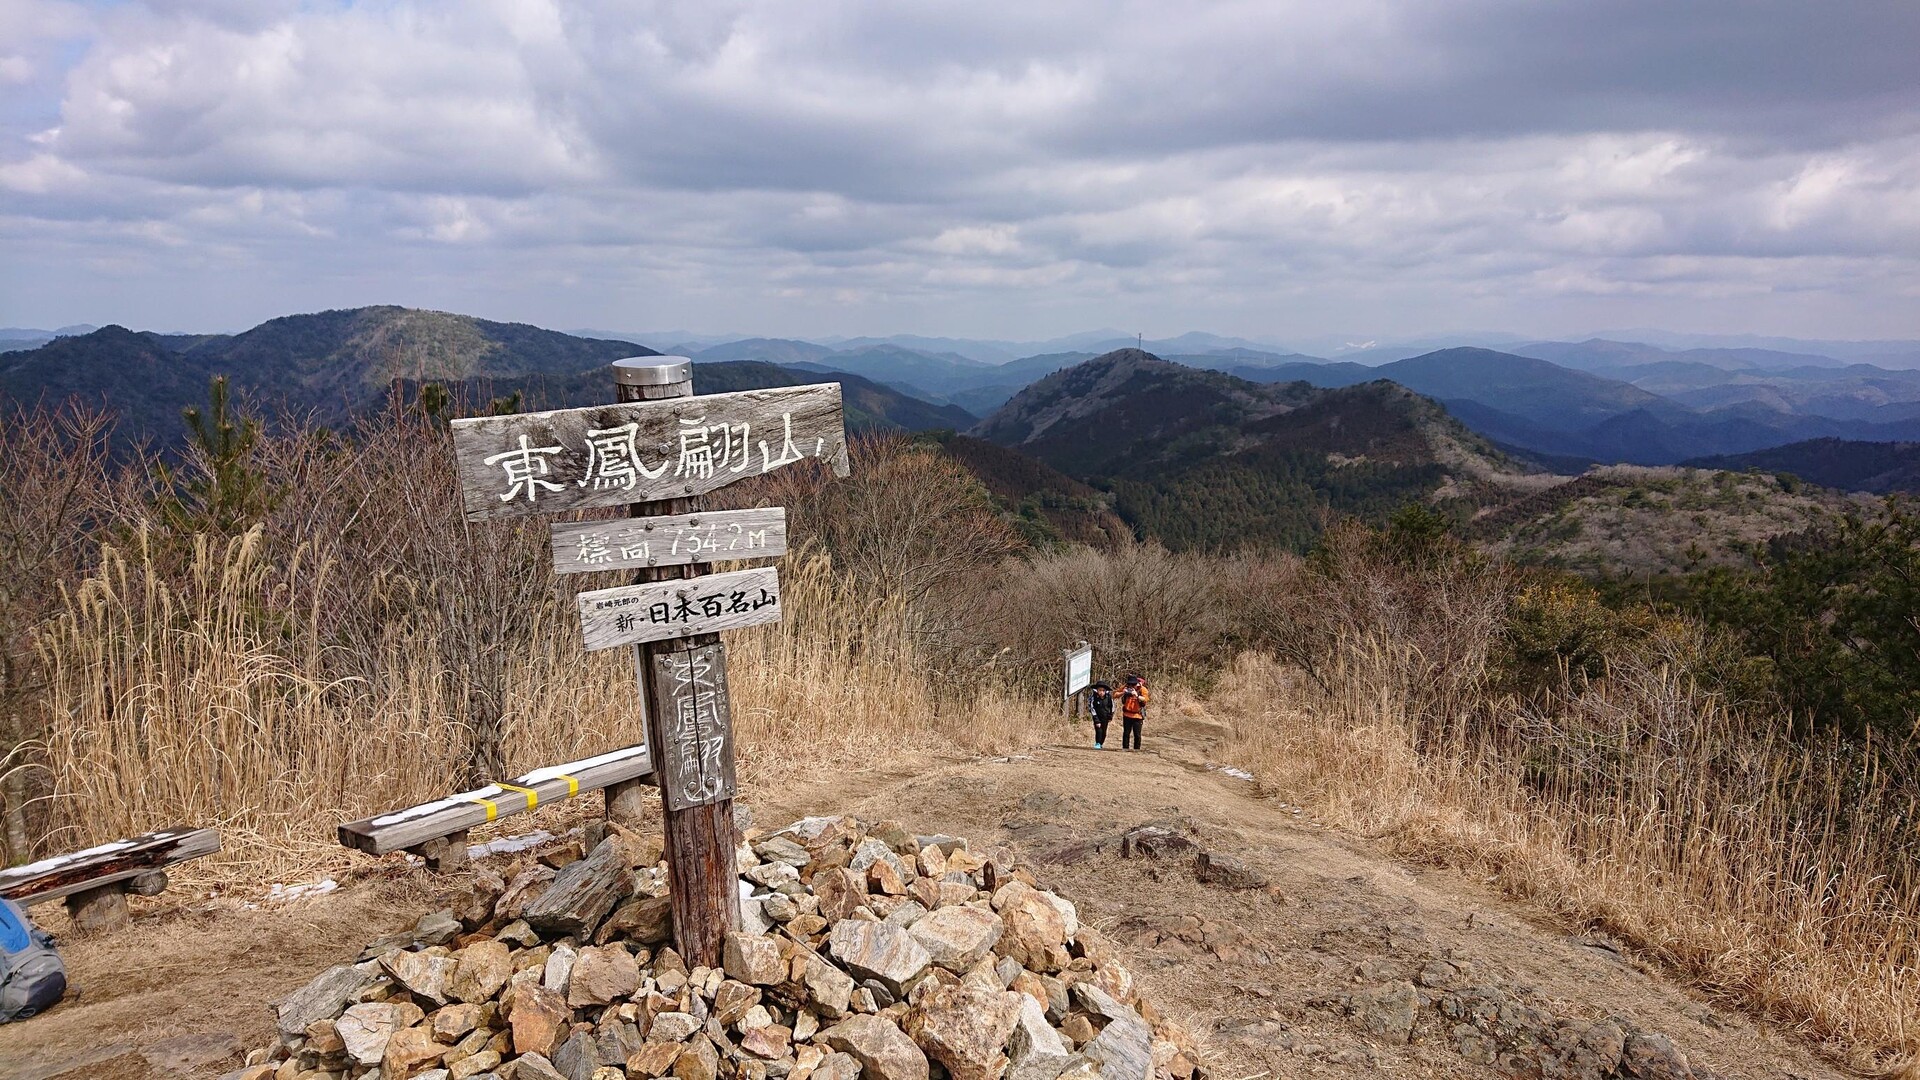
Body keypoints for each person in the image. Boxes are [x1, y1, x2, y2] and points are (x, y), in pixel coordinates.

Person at [1119, 673, 1150, 750]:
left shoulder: (1142, 689)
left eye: (1133, 685)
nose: (1131, 686)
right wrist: (1124, 692)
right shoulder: (1126, 688)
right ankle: (1125, 748)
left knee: (1137, 734)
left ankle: (1137, 749)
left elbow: (1146, 699)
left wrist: (1136, 695)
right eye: (1130, 684)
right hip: (1127, 715)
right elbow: (1115, 694)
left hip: (1137, 716)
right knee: (1126, 733)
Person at [1086, 680, 1114, 749]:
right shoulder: (1094, 698)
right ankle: (1097, 743)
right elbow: (1092, 709)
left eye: (1103, 690)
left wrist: (1110, 716)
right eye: (1099, 690)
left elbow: (1112, 707)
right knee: (1099, 731)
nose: (1101, 692)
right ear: (1097, 690)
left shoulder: (1109, 697)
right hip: (1097, 717)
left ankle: (1101, 743)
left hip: (1105, 717)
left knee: (1104, 732)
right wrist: (1096, 720)